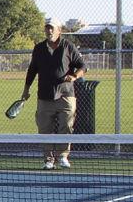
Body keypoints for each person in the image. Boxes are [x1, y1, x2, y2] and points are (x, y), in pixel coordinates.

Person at [18, 21, 86, 169]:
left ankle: (62, 157)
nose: (49, 31)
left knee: (66, 127)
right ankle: (48, 160)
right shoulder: (39, 48)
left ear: (59, 30)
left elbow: (82, 66)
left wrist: (74, 76)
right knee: (44, 129)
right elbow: (32, 71)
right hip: (44, 96)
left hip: (66, 95)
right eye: (47, 28)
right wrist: (26, 90)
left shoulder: (68, 46)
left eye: (52, 28)